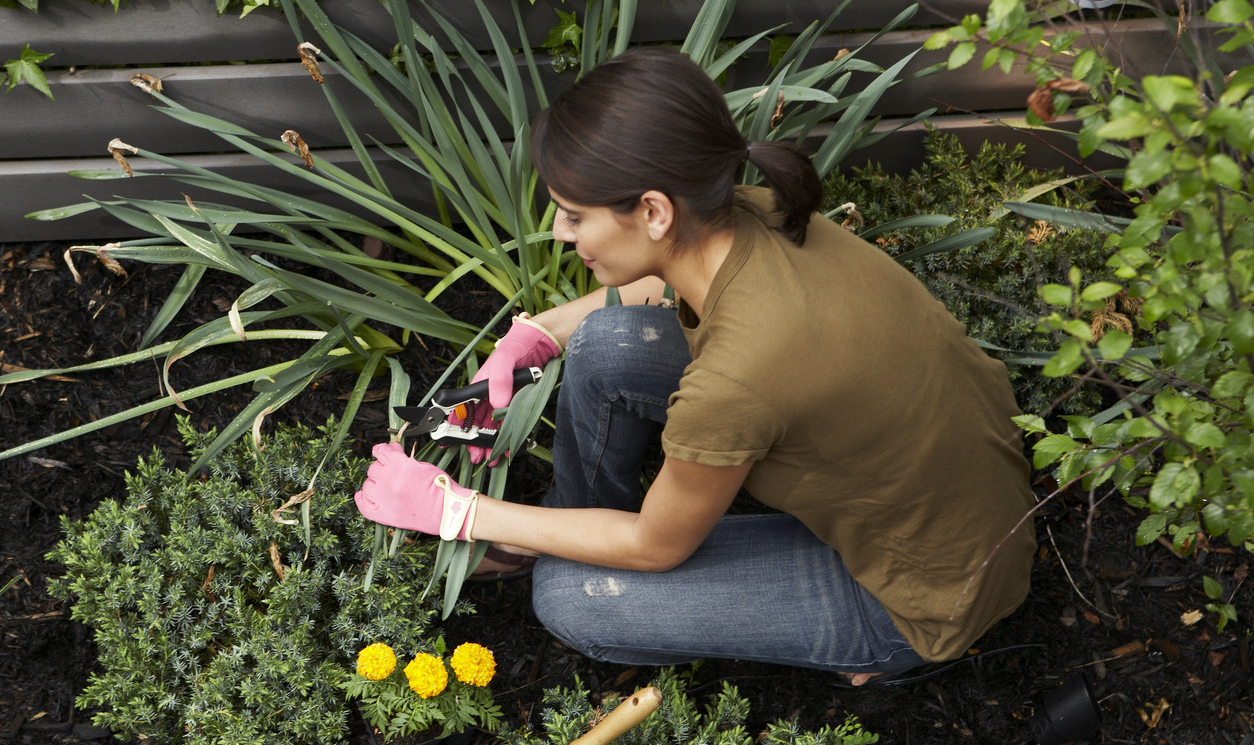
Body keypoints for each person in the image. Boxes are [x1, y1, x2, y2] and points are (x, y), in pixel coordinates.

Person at [353, 48, 1036, 681]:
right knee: (604, 343)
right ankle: (572, 523)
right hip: (962, 488)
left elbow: (657, 547)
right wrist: (541, 332)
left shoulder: (736, 380)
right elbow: (666, 280)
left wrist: (461, 513)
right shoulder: (748, 212)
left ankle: (880, 654)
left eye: (573, 215)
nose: (560, 233)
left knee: (571, 595)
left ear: (653, 210)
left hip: (922, 593)